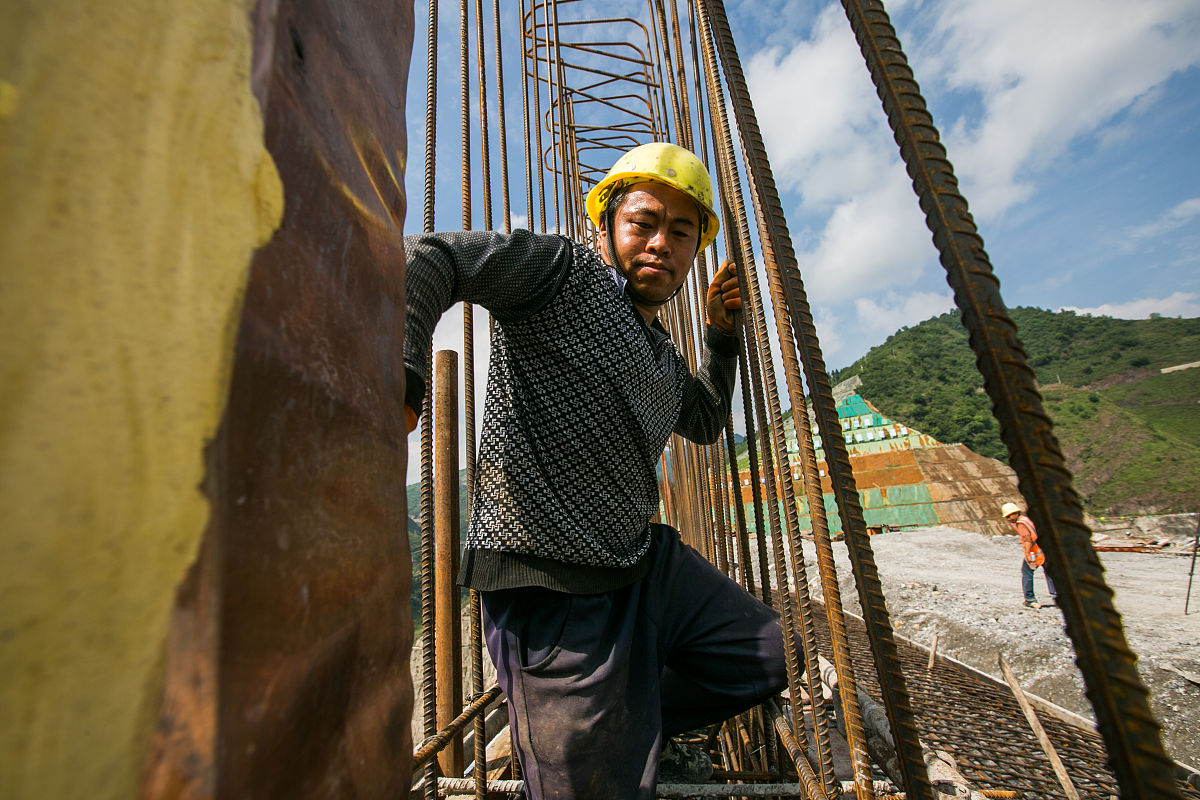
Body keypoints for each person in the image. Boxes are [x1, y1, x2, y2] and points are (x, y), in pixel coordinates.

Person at [402, 142, 787, 799]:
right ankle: (611, 745)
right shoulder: (561, 273)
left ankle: (634, 727)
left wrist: (722, 338)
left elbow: (702, 420)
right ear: (604, 226)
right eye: (643, 222)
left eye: (681, 231)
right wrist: (404, 377)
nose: (661, 243)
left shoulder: (658, 348)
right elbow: (432, 256)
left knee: (769, 655)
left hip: (641, 563)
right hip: (549, 585)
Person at [1002, 502, 1057, 608]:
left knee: (1027, 572)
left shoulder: (1021, 524)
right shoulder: (1027, 520)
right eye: (1007, 517)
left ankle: (1029, 599)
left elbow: (1027, 539)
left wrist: (1027, 554)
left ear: (1016, 513)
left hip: (1035, 553)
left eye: (1009, 516)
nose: (1008, 519)